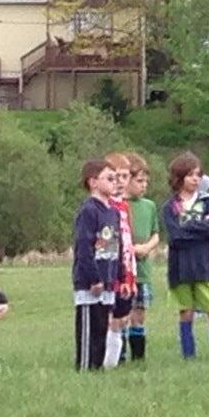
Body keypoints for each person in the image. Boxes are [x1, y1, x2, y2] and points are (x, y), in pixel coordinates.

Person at [162, 152, 209, 360]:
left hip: (204, 265)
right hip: (180, 267)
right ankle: (188, 356)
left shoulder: (208, 202)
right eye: (190, 175)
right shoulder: (169, 207)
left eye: (198, 175)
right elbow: (176, 236)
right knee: (186, 312)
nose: (195, 179)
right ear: (179, 177)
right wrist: (199, 229)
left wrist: (189, 226)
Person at [73, 158, 125, 371]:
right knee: (89, 327)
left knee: (103, 326)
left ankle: (98, 367)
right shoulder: (88, 210)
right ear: (93, 182)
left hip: (109, 278)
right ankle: (85, 368)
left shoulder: (112, 212)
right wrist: (93, 278)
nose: (115, 182)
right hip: (91, 282)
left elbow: (116, 245)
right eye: (109, 178)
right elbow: (84, 247)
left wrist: (117, 275)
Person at [126, 152, 161, 360]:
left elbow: (156, 233)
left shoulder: (149, 206)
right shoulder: (119, 205)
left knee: (139, 313)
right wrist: (131, 249)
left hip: (143, 270)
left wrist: (147, 247)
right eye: (139, 181)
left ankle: (138, 356)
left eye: (146, 181)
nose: (144, 185)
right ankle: (118, 354)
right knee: (121, 313)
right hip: (124, 270)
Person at [103, 152, 137, 369]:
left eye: (125, 177)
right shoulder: (106, 207)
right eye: (116, 177)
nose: (121, 182)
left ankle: (115, 360)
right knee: (109, 317)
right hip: (112, 269)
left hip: (127, 266)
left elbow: (128, 238)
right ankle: (106, 362)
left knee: (123, 317)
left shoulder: (125, 206)